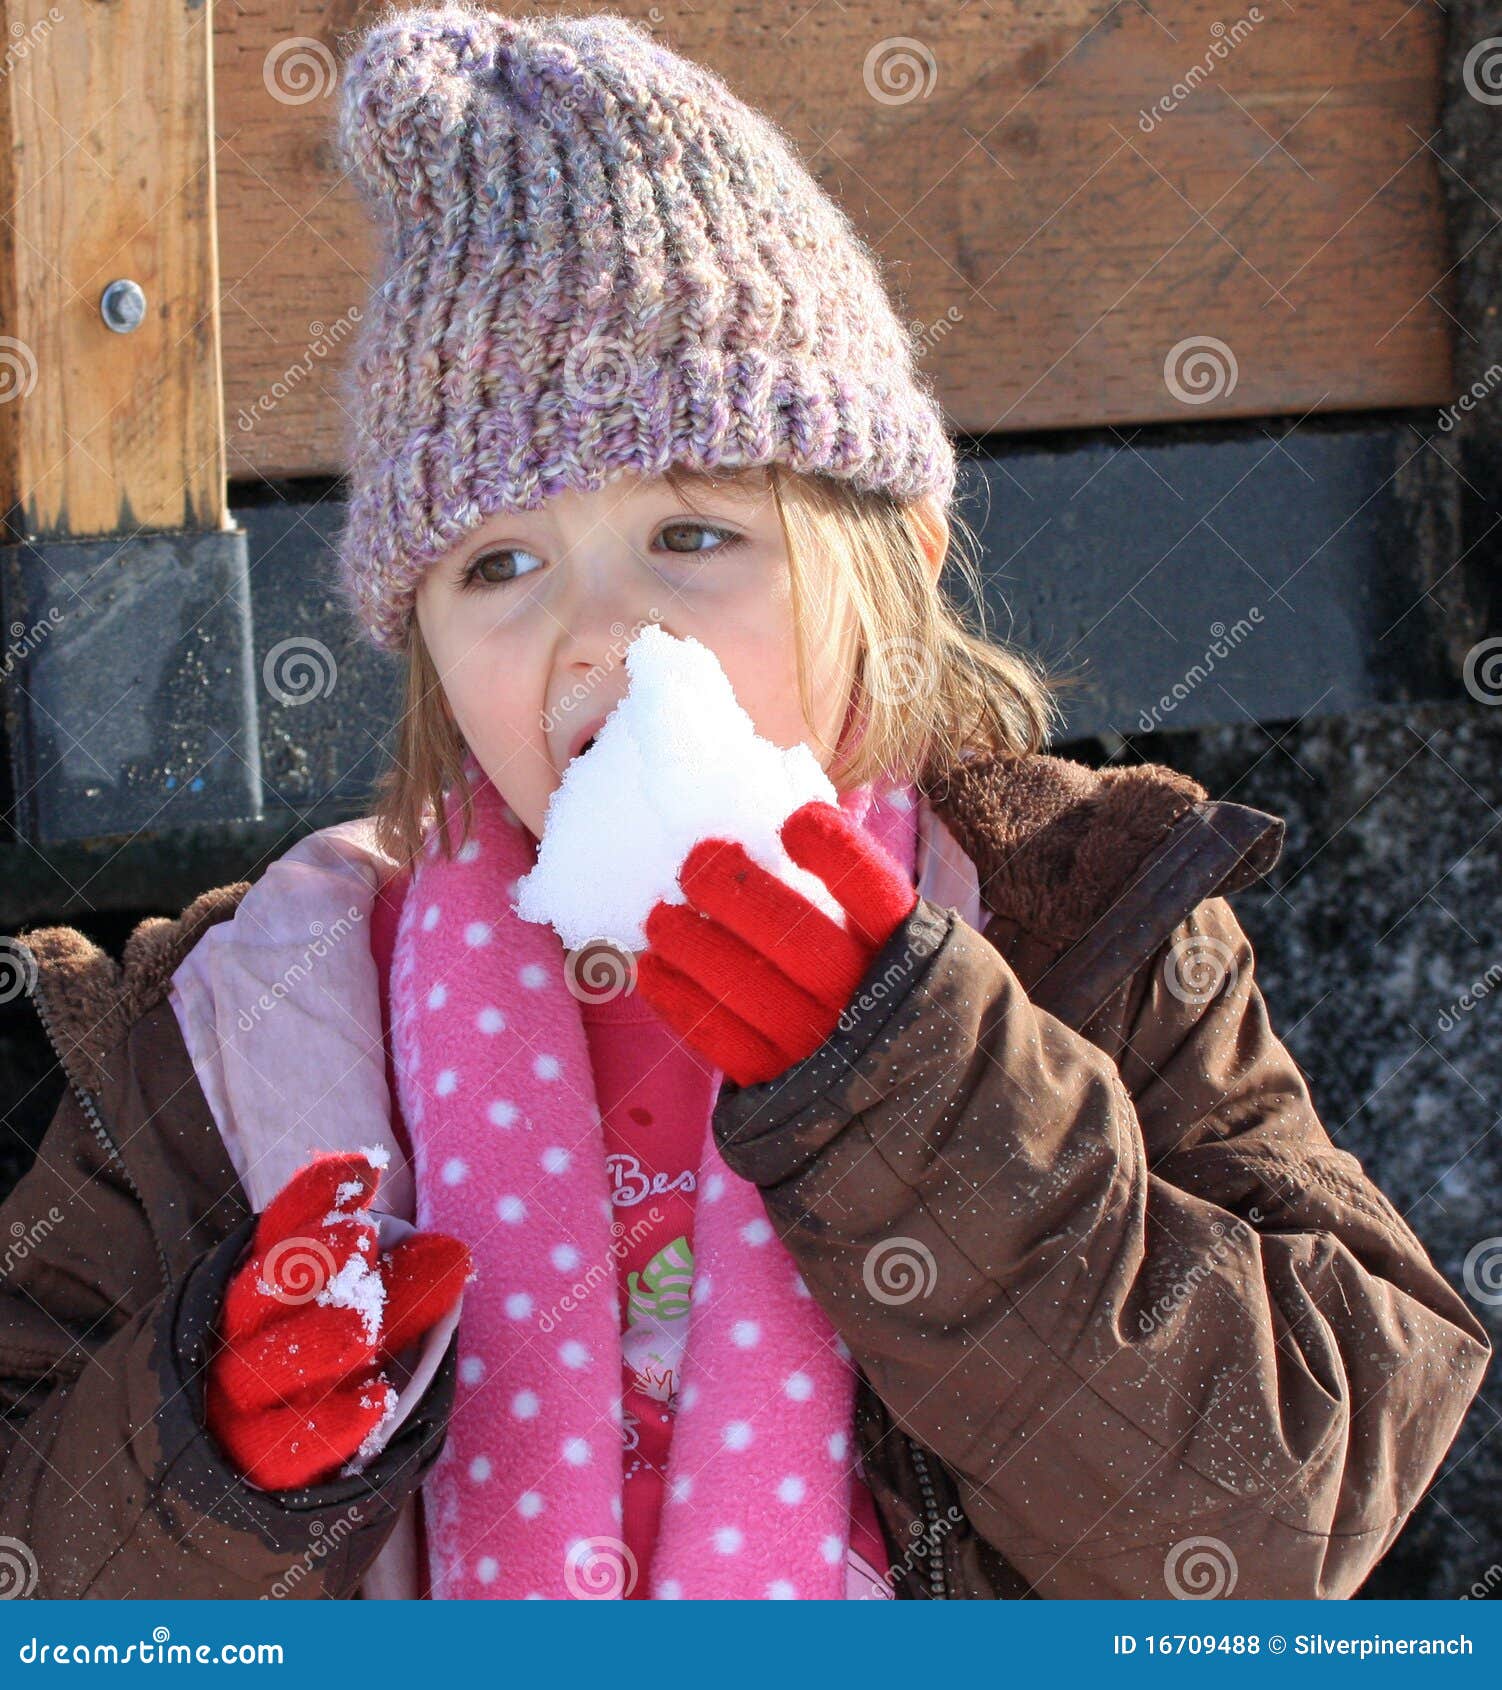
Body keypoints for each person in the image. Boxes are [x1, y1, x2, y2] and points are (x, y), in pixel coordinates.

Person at [0, 3, 1487, 1601]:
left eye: (694, 534)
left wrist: (912, 1085)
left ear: (891, 567)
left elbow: (1275, 1533)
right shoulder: (248, 1020)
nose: (597, 630)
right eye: (499, 564)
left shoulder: (1080, 926)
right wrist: (201, 1459)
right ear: (423, 652)